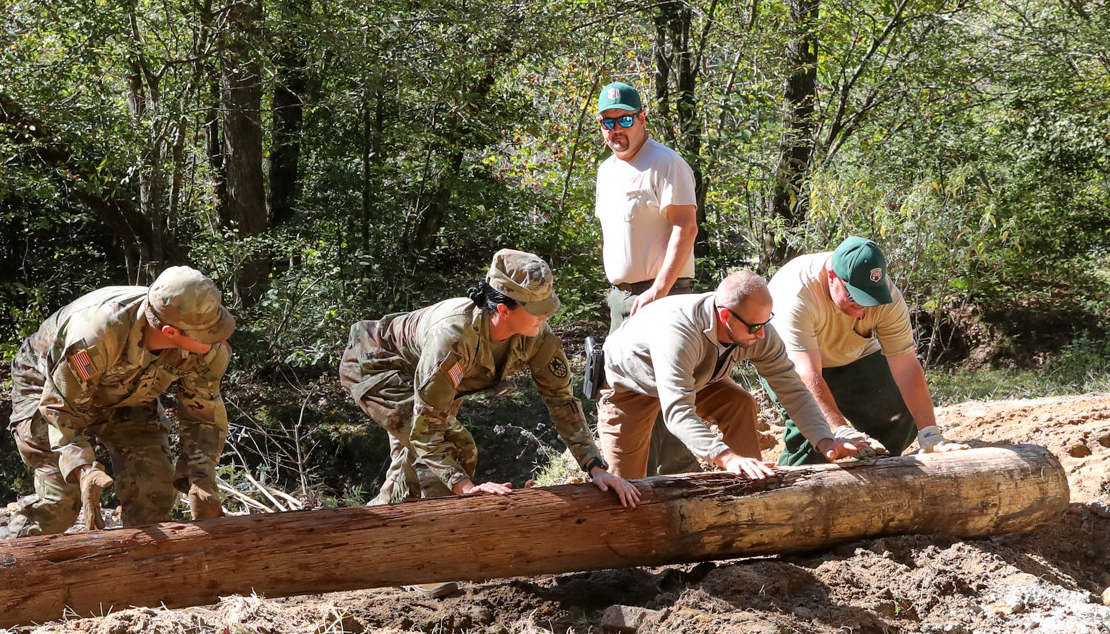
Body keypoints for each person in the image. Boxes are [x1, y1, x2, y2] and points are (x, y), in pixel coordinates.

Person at [340, 250, 642, 508]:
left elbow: (563, 403)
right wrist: (466, 488)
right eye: (536, 311)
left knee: (412, 464)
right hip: (378, 366)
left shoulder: (538, 337)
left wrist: (595, 467)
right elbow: (426, 431)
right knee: (453, 446)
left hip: (431, 381)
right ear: (502, 309)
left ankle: (384, 540)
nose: (545, 317)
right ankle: (435, 559)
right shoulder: (454, 338)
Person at [3, 266, 234, 538]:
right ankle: (9, 567)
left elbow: (202, 415)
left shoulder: (211, 350)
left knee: (154, 489)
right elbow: (61, 406)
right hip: (48, 385)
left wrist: (200, 477)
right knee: (61, 500)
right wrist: (82, 468)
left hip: (128, 394)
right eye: (206, 334)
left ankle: (142, 572)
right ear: (171, 332)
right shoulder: (95, 333)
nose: (216, 339)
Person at [599, 269, 868, 479]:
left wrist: (824, 439)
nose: (761, 334)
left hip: (697, 376)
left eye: (765, 323)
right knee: (626, 487)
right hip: (632, 388)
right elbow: (678, 413)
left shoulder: (755, 326)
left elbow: (791, 387)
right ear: (725, 316)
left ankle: (751, 486)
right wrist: (726, 457)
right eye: (754, 327)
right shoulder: (679, 334)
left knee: (738, 404)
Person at [593, 80, 699, 474]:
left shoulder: (666, 162)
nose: (616, 129)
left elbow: (685, 228)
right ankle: (634, 481)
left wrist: (659, 289)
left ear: (641, 118)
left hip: (664, 295)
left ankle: (682, 480)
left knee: (666, 387)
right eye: (607, 122)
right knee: (626, 389)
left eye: (624, 119)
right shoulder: (606, 171)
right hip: (622, 298)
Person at [769, 236, 942, 466]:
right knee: (814, 432)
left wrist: (931, 435)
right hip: (792, 364)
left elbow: (907, 368)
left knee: (898, 413)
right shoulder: (797, 294)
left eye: (870, 299)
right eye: (854, 298)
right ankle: (789, 490)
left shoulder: (887, 297)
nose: (862, 309)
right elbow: (805, 373)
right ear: (832, 277)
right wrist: (840, 430)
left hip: (851, 357)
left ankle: (875, 474)